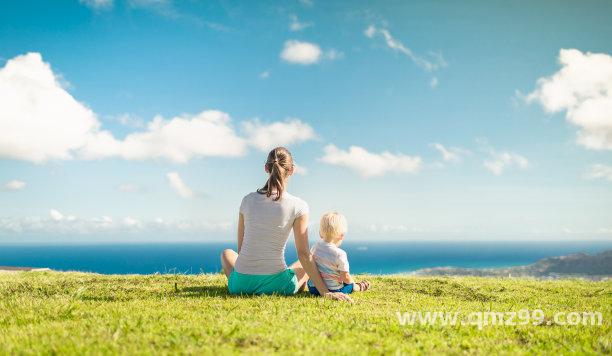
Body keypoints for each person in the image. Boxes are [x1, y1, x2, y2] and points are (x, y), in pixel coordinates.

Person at [220, 147, 352, 301]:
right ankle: (297, 284)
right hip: (278, 286)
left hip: (240, 286)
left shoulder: (247, 200)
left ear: (266, 168)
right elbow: (303, 254)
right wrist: (325, 292)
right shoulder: (299, 205)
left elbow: (242, 249)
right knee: (311, 258)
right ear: (292, 170)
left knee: (227, 253)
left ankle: (249, 283)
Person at [307, 212, 371, 296]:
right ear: (342, 236)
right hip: (334, 290)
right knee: (350, 285)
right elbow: (345, 277)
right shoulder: (340, 254)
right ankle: (359, 287)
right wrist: (352, 283)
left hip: (313, 288)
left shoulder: (314, 248)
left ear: (320, 233)